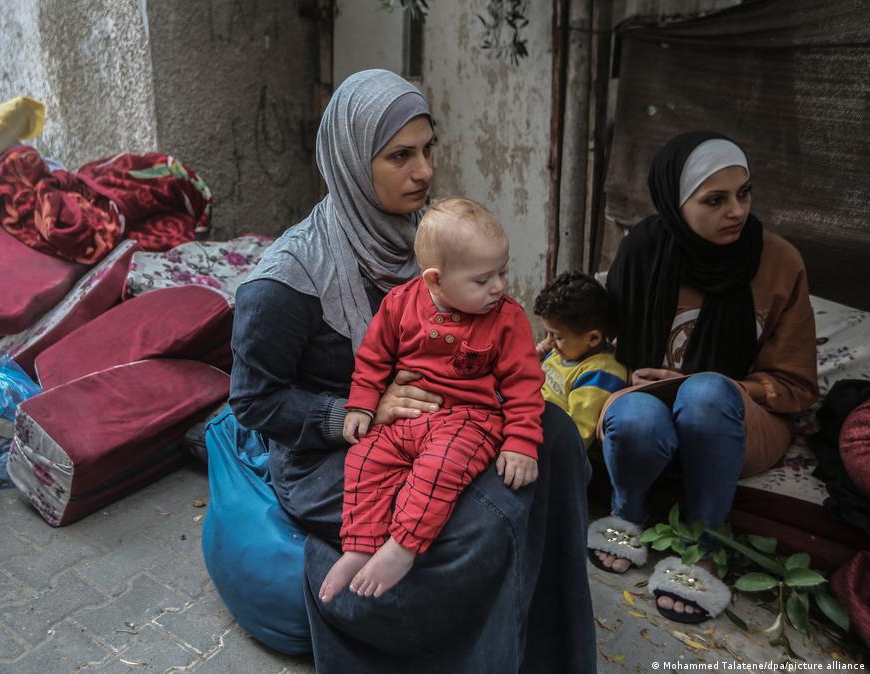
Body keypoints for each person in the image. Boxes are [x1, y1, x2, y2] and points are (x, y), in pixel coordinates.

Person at [229, 69, 596, 673]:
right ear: (350, 161)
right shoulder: (285, 282)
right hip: (328, 452)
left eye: (428, 149)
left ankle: (550, 650)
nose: (423, 172)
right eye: (400, 156)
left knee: (552, 434)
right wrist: (359, 408)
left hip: (442, 424)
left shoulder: (422, 239)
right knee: (474, 521)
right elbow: (254, 401)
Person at [587, 131, 818, 624]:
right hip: (652, 402)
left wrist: (725, 383)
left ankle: (702, 546)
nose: (736, 211)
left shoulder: (778, 262)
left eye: (744, 193)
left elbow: (797, 385)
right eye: (715, 200)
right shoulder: (643, 251)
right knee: (632, 413)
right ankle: (627, 513)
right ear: (675, 202)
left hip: (738, 416)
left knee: (706, 392)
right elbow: (598, 338)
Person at [318, 198, 544, 602]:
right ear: (435, 281)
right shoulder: (400, 304)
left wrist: (521, 442)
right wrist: (362, 403)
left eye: (502, 273)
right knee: (363, 459)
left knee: (439, 469)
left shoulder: (506, 318)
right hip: (406, 418)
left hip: (469, 420)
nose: (499, 287)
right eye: (482, 280)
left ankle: (403, 547)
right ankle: (359, 544)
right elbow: (373, 357)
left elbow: (524, 383)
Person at [532, 272, 628, 449]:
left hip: (546, 444)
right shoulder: (568, 349)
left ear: (593, 338)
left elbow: (575, 438)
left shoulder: (599, 373)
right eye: (548, 334)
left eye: (557, 336)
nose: (550, 341)